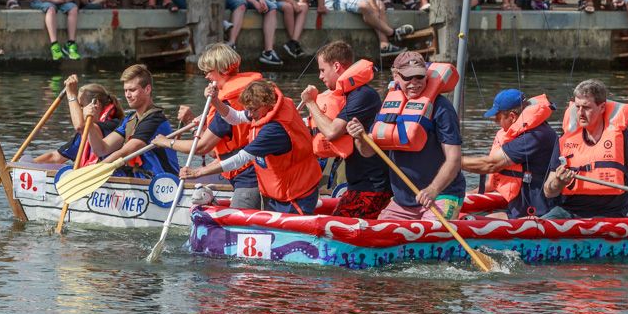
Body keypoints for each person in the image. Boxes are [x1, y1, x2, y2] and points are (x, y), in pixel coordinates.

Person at [346, 51, 464, 221]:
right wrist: (359, 136)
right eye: (408, 78)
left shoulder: (442, 108)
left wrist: (432, 190)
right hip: (403, 202)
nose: (414, 83)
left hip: (441, 195)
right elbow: (367, 152)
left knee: (429, 234)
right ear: (396, 76)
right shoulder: (391, 105)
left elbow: (454, 159)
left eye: (419, 77)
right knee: (379, 238)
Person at [182, 79, 322, 215]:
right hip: (280, 192)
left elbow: (241, 159)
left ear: (267, 103)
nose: (250, 114)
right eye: (247, 109)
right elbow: (236, 117)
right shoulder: (266, 110)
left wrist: (199, 172)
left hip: (296, 195)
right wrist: (215, 101)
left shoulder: (274, 129)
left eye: (252, 110)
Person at [153, 43, 264, 209]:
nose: (206, 76)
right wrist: (192, 121)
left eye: (208, 71)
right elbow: (215, 150)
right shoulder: (238, 96)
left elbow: (203, 147)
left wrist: (166, 143)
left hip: (248, 177)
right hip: (243, 172)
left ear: (222, 69)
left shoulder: (229, 101)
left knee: (236, 230)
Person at [542, 79, 628, 219]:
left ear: (602, 107)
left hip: (611, 215)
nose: (580, 113)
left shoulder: (625, 140)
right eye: (577, 107)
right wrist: (559, 182)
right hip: (569, 213)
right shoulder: (564, 141)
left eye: (586, 107)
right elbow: (549, 192)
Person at [300, 41, 392, 218]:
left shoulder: (362, 95)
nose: (320, 76)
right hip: (358, 184)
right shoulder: (348, 95)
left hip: (372, 186)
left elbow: (332, 132)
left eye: (322, 70)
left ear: (336, 66)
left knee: (335, 232)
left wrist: (310, 103)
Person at [461, 89, 558, 219]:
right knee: (462, 216)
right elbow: (491, 183)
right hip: (516, 211)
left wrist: (451, 161)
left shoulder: (534, 136)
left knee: (467, 221)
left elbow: (491, 165)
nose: (496, 122)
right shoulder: (526, 132)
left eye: (498, 118)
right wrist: (467, 195)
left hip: (537, 215)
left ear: (512, 116)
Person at [83, 63, 179, 179]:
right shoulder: (129, 120)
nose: (127, 95)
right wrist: (90, 125)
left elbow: (125, 152)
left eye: (132, 90)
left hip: (163, 184)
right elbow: (101, 149)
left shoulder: (155, 119)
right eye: (125, 90)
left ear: (147, 89)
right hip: (141, 181)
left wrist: (94, 172)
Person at [35, 74, 124, 164]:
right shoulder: (83, 135)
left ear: (95, 104)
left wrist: (71, 95)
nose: (78, 110)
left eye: (81, 105)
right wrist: (26, 166)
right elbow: (54, 157)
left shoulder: (115, 125)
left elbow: (80, 126)